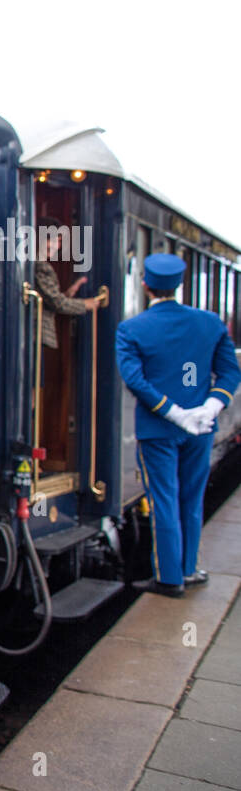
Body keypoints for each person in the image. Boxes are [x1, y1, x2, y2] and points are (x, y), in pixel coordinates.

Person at [115, 254, 240, 598]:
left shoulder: (132, 329)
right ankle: (189, 569)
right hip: (200, 429)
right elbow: (230, 372)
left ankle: (170, 579)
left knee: (165, 500)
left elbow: (135, 380)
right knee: (191, 497)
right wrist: (209, 407)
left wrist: (171, 411)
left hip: (158, 430)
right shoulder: (210, 323)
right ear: (180, 286)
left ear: (145, 285)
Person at [34, 216, 101, 350]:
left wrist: (66, 294)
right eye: (51, 240)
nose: (56, 246)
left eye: (58, 241)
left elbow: (49, 298)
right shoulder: (40, 266)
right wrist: (87, 304)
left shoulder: (35, 263)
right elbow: (57, 303)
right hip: (37, 333)